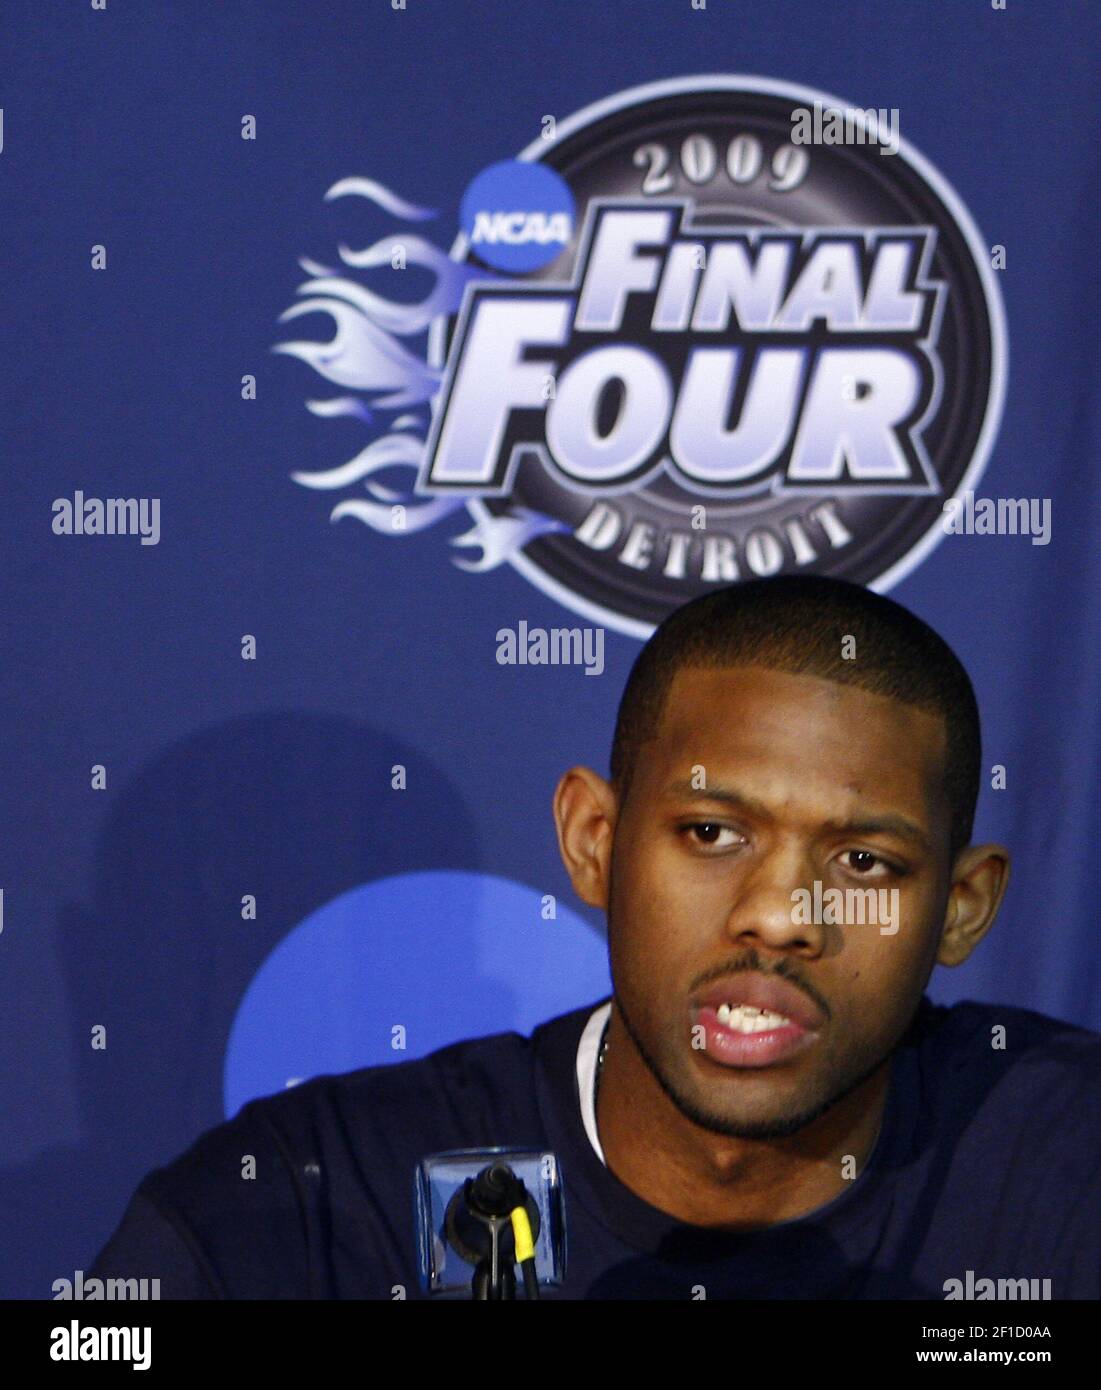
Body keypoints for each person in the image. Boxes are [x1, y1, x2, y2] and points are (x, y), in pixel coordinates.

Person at [88, 575, 1101, 1298]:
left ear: (962, 907)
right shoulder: (314, 1200)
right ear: (595, 843)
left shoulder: (1066, 1166)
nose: (782, 915)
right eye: (710, 834)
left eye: (865, 862)